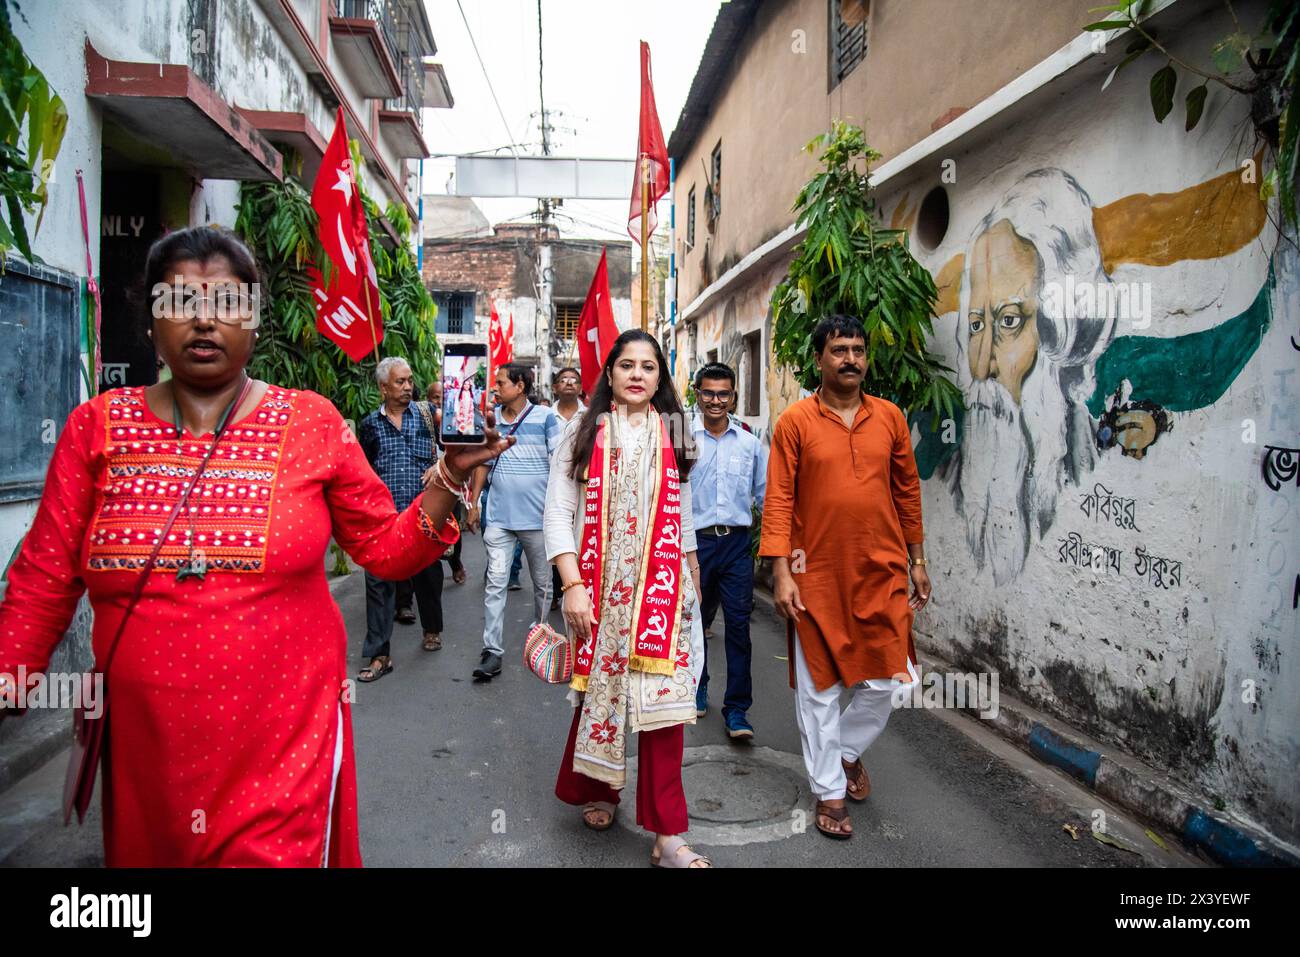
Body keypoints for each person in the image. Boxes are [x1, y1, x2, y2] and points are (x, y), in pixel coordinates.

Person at [0, 227, 512, 866]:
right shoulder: (95, 428)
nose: (205, 323)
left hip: (283, 743)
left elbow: (384, 547)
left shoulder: (312, 423)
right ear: (150, 315)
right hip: (146, 755)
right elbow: (44, 576)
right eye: (182, 303)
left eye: (229, 305)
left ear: (257, 321)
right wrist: (12, 680)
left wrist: (452, 473)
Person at [759, 314, 931, 841]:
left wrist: (917, 560)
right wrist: (781, 571)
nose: (851, 358)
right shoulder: (795, 422)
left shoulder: (891, 418)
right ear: (819, 359)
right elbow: (780, 499)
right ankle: (829, 790)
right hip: (816, 574)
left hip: (881, 571)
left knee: (893, 679)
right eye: (839, 350)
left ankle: (847, 751)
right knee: (818, 689)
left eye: (858, 349)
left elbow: (907, 490)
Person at [545, 330, 711, 868]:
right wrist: (571, 586)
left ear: (660, 378)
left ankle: (668, 838)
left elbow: (682, 516)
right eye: (627, 365)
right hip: (598, 593)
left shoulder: (677, 432)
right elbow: (556, 513)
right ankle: (598, 787)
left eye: (649, 367)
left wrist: (690, 577)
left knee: (665, 711)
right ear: (610, 374)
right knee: (598, 692)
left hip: (662, 594)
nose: (638, 374)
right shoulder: (582, 431)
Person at [467, 363, 560, 679]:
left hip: (537, 520)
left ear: (520, 386)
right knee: (495, 583)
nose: (495, 388)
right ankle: (492, 651)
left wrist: (561, 512)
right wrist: (474, 503)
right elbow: (482, 462)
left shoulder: (546, 418)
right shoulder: (491, 419)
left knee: (543, 585)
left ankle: (541, 636)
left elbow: (559, 464)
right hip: (499, 518)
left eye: (501, 383)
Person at [689, 362, 766, 739]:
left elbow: (766, 496)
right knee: (694, 624)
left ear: (733, 396)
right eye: (709, 393)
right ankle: (698, 687)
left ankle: (737, 710)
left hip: (736, 545)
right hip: (695, 545)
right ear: (697, 394)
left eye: (723, 394)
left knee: (738, 627)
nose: (716, 401)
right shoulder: (683, 439)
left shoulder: (750, 443)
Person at [358, 358, 446, 674]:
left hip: (423, 515)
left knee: (428, 576)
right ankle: (379, 653)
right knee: (378, 582)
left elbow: (453, 447)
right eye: (400, 382)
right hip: (382, 519)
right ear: (383, 388)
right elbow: (362, 469)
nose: (408, 386)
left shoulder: (427, 416)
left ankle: (432, 629)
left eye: (409, 380)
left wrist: (441, 465)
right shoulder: (369, 425)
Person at [426, 378, 467, 585]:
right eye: (435, 398)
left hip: (452, 485)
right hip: (428, 487)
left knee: (454, 530)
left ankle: (455, 562)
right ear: (428, 400)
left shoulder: (456, 421)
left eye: (443, 398)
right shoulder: (422, 422)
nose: (439, 402)